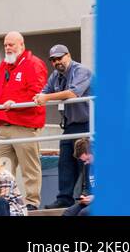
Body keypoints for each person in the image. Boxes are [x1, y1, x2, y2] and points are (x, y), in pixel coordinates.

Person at [0, 31, 47, 210]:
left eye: (11, 44)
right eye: (5, 45)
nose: (7, 48)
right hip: (5, 126)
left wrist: (16, 104)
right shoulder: (5, 65)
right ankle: (4, 201)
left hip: (25, 125)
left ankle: (32, 202)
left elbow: (37, 92)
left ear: (21, 45)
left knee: (29, 167)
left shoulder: (34, 64)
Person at [36, 43, 93, 207]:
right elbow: (44, 92)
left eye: (59, 58)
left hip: (89, 123)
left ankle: (89, 196)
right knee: (65, 162)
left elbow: (73, 93)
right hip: (70, 125)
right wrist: (38, 97)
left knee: (86, 161)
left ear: (68, 55)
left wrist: (45, 98)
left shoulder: (81, 70)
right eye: (53, 60)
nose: (56, 62)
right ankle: (64, 199)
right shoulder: (55, 75)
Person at [62, 138, 94, 216]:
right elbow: (87, 188)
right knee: (68, 213)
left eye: (87, 159)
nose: (86, 163)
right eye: (84, 161)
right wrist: (84, 196)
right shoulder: (88, 166)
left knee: (85, 213)